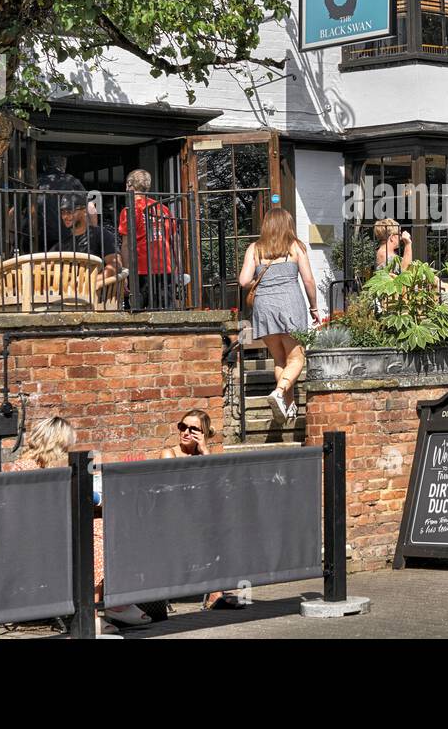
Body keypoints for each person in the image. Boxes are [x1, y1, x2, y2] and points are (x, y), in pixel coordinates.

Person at [5, 417, 145, 634]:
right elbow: (40, 510)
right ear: (56, 443)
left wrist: (94, 494)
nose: (70, 448)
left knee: (109, 526)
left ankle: (113, 602)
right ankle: (93, 614)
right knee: (96, 533)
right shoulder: (26, 468)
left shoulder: (53, 466)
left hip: (60, 532)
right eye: (67, 444)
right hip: (37, 542)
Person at [238, 206, 319, 423]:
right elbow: (309, 280)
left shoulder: (254, 249)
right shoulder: (296, 247)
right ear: (287, 225)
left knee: (280, 359)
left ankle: (288, 408)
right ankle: (279, 392)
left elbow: (244, 281)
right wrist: (314, 307)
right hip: (290, 304)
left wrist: (262, 280)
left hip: (264, 307)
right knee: (298, 358)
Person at [158, 411, 243, 610]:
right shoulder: (169, 454)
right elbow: (176, 491)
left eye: (193, 429)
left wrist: (204, 451)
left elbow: (218, 485)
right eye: (182, 427)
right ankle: (213, 593)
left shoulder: (204, 455)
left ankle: (215, 594)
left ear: (202, 433)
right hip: (172, 517)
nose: (185, 432)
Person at [117, 168, 183, 309]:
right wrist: (178, 265)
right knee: (165, 313)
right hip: (165, 269)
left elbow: (126, 244)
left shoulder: (129, 210)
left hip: (140, 270)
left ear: (129, 184)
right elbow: (175, 239)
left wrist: (126, 272)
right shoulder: (163, 209)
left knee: (138, 315)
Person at [53, 192, 121, 276]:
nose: (65, 216)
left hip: (95, 287)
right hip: (70, 287)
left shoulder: (101, 235)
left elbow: (115, 264)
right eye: (63, 212)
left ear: (85, 211)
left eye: (70, 211)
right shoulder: (63, 243)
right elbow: (45, 264)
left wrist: (94, 282)